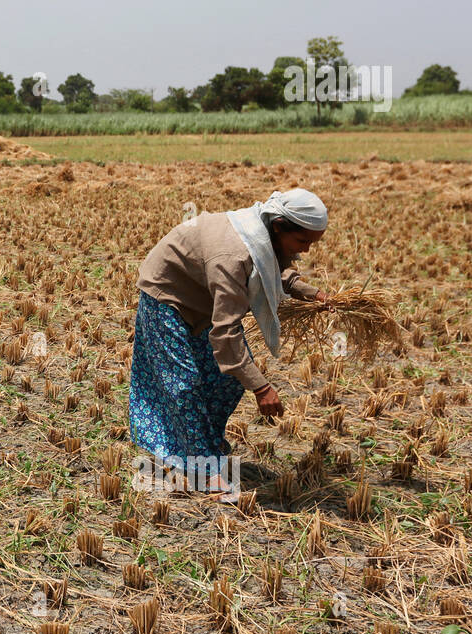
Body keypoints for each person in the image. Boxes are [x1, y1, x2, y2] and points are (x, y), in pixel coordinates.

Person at [130, 189, 333, 495]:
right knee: (184, 384)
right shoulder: (233, 257)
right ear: (279, 225)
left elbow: (273, 265)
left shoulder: (261, 231)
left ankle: (201, 446)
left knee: (228, 380)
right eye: (302, 241)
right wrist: (262, 388)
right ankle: (202, 469)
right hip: (167, 296)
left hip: (201, 296)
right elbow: (225, 333)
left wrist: (309, 292)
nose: (304, 250)